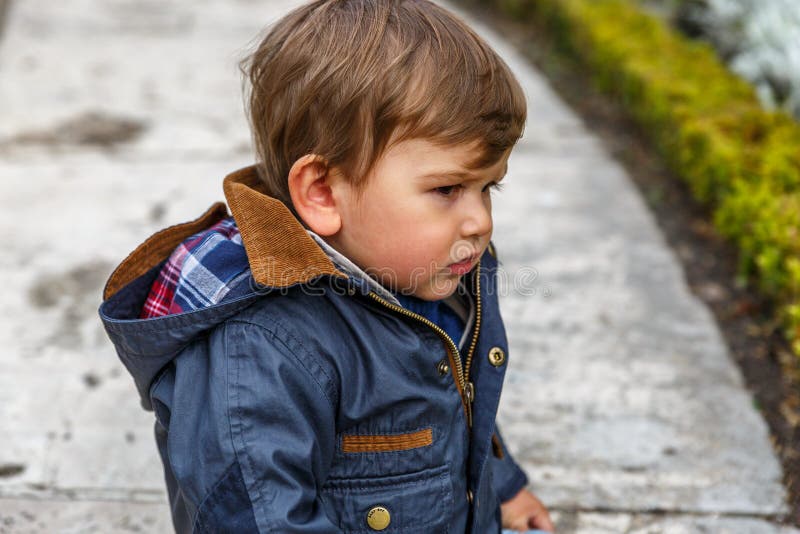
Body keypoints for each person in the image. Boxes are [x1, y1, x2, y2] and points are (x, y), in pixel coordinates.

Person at [99, 0, 554, 532]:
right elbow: (260, 519)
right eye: (447, 189)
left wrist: (503, 487)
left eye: (488, 187)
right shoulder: (261, 349)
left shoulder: (429, 277)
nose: (479, 221)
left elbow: (455, 400)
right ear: (322, 192)